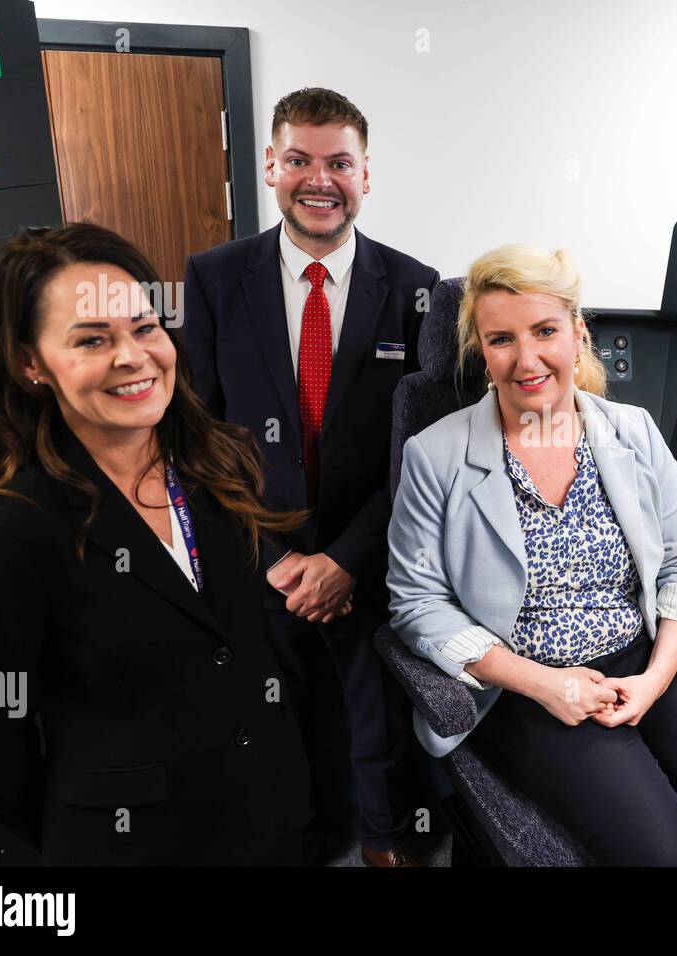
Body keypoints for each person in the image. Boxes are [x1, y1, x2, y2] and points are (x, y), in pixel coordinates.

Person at [387, 245, 677, 865]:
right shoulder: (435, 457)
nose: (527, 359)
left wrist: (654, 680)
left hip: (647, 655)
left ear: (578, 332)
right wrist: (544, 684)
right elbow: (416, 603)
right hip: (529, 686)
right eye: (502, 339)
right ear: (482, 351)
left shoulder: (633, 430)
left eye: (545, 331)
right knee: (667, 854)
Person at [0, 224, 311, 865]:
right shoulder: (0, 530)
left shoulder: (217, 462)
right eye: (92, 340)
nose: (132, 356)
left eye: (144, 327)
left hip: (266, 813)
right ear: (31, 364)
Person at [181, 87, 438, 866]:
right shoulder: (215, 278)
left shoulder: (418, 287)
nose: (318, 179)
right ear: (270, 166)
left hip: (374, 554)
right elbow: (200, 441)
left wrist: (346, 561)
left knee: (376, 720)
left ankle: (386, 842)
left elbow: (420, 458)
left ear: (366, 175)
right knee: (277, 723)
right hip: (263, 558)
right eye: (299, 160)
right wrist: (276, 560)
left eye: (339, 163)